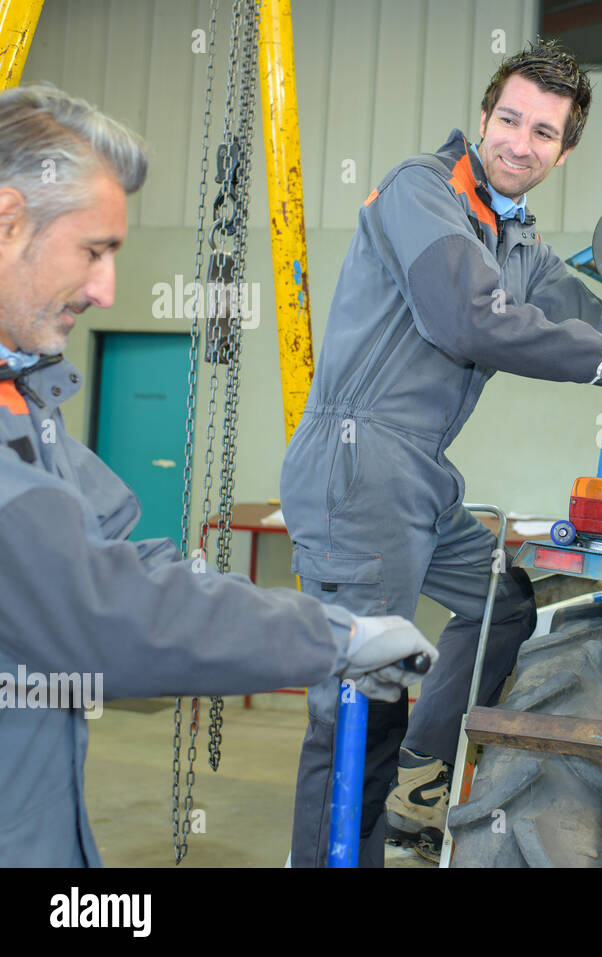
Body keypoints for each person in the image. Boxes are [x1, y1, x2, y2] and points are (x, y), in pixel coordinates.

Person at [280, 39, 602, 867]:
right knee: (358, 701)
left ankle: (420, 771)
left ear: (564, 151)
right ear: (484, 117)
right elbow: (466, 318)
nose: (521, 143)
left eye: (544, 133)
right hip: (359, 459)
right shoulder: (425, 192)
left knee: (504, 606)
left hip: (422, 474)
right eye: (511, 120)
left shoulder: (519, 246)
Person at [0, 84, 438, 867]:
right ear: (7, 219)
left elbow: (128, 556)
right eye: (93, 251)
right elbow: (106, 615)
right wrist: (332, 635)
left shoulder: (24, 401)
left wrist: (335, 633)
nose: (105, 290)